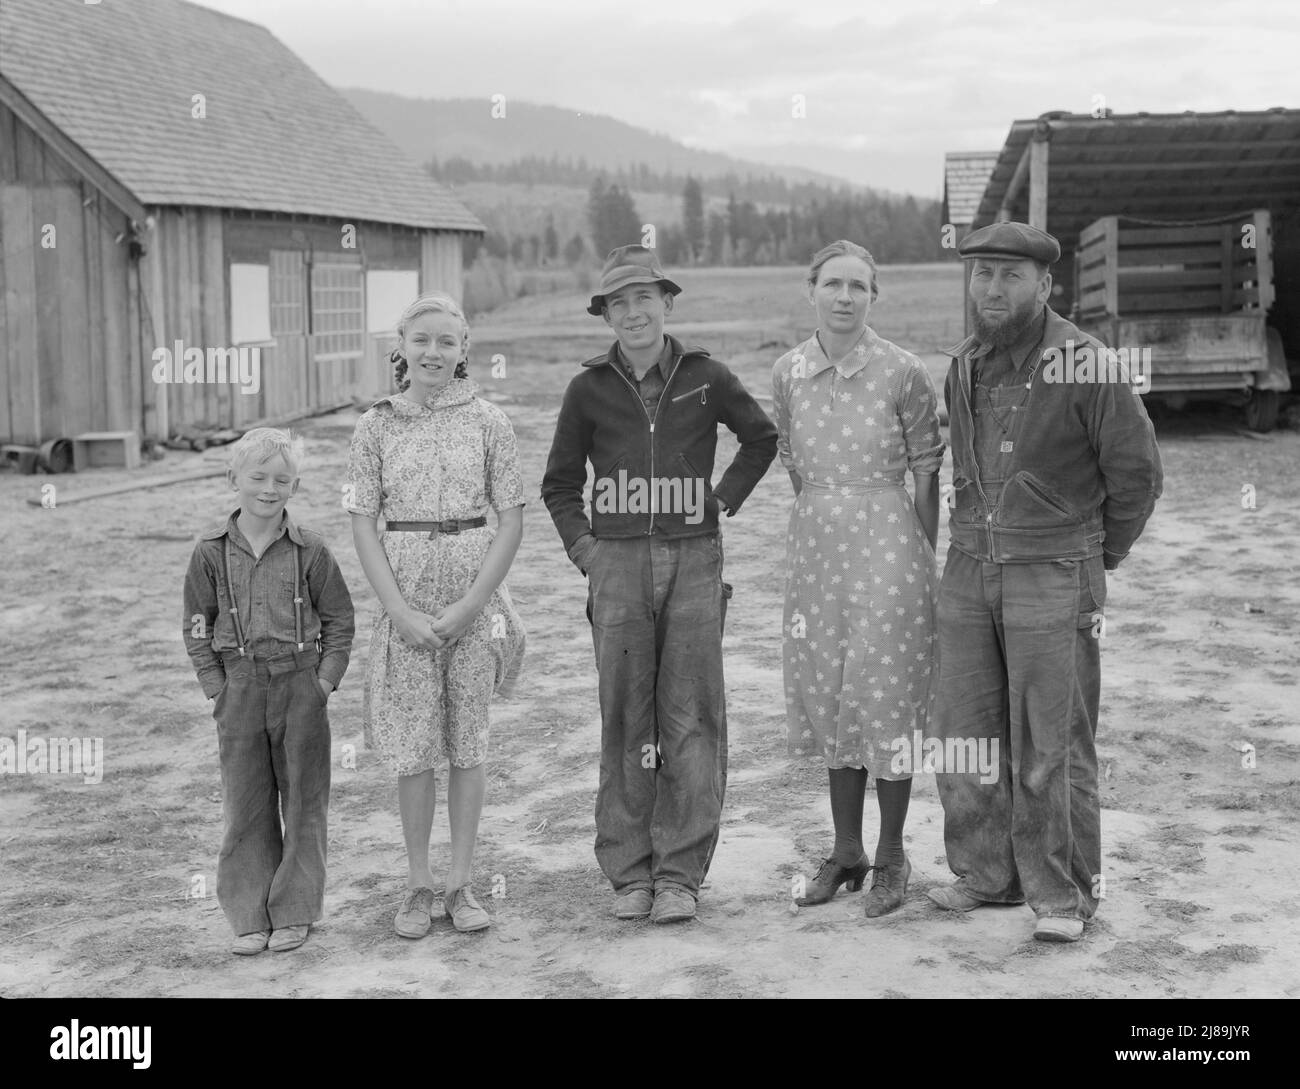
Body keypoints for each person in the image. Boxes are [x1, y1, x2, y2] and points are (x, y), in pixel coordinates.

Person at [927, 221, 1162, 942]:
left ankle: (1063, 896)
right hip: (969, 567)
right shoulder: (965, 363)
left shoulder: (1086, 363)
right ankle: (986, 873)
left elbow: (1138, 474)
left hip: (1055, 570)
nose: (992, 289)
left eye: (1009, 275)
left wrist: (1094, 555)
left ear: (1044, 284)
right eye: (982, 275)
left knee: (1051, 743)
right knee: (964, 734)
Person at [542, 244, 777, 924]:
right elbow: (558, 484)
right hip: (616, 564)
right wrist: (587, 551)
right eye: (620, 302)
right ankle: (629, 873)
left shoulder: (705, 375)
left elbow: (760, 437)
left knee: (691, 714)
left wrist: (724, 497)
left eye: (645, 298)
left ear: (666, 303)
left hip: (695, 559)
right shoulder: (587, 388)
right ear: (606, 315)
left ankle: (679, 872)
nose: (634, 312)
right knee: (625, 715)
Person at [773, 241, 944, 917]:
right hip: (816, 546)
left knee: (885, 692)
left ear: (875, 296)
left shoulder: (903, 370)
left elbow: (927, 468)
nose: (845, 297)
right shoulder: (788, 371)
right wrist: (826, 509)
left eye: (859, 287)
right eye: (833, 284)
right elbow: (792, 459)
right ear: (810, 289)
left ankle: (894, 852)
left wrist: (922, 554)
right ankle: (847, 850)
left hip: (889, 545)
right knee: (831, 690)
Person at [347, 292, 525, 939]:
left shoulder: (490, 423)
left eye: (446, 342)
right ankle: (419, 883)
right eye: (421, 340)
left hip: (473, 608)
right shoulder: (376, 426)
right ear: (402, 347)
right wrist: (399, 610)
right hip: (407, 609)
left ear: (464, 350)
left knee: (468, 743)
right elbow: (363, 522)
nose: (433, 352)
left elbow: (511, 519)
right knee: (415, 747)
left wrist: (473, 602)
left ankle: (461, 882)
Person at [183, 427, 355, 955]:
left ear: (295, 486)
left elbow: (340, 621)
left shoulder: (312, 550)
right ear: (232, 479)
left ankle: (295, 909)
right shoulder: (210, 553)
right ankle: (249, 913)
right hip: (238, 686)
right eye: (257, 477)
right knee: (247, 801)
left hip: (301, 683)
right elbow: (195, 625)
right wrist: (217, 687)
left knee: (304, 798)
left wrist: (324, 682)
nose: (268, 488)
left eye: (282, 479)